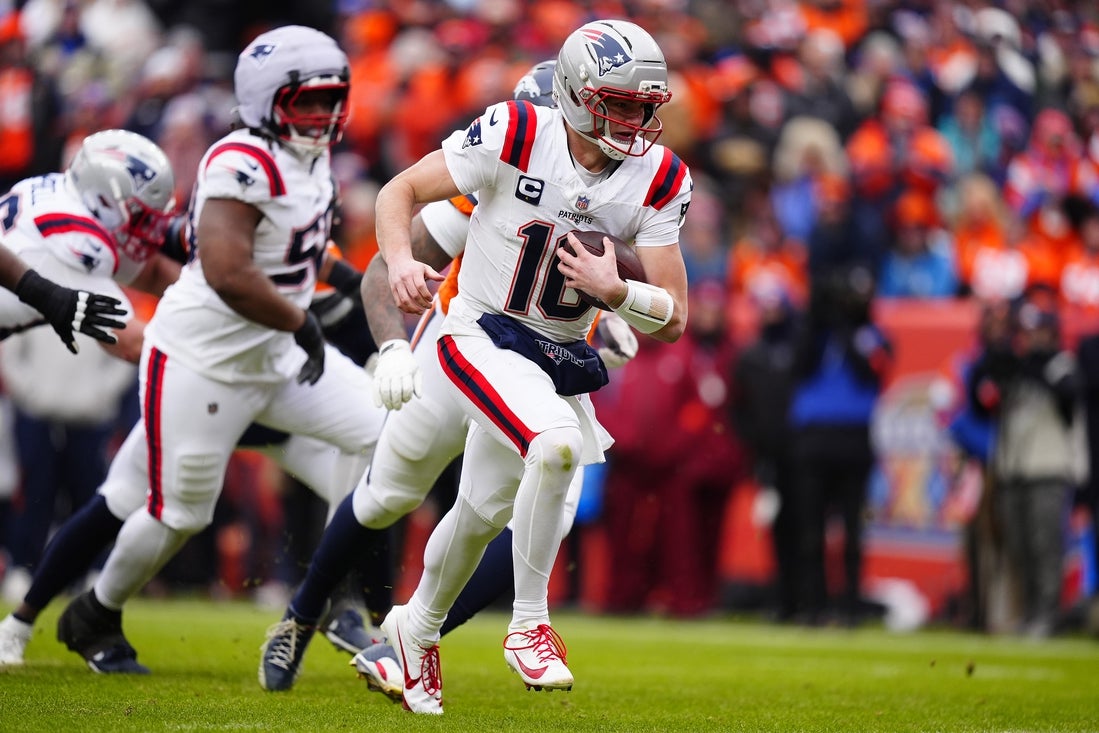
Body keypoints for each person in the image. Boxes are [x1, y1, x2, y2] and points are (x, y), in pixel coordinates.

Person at [256, 59, 636, 694]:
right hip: (457, 357)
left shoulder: (621, 190)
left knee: (538, 514)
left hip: (543, 375)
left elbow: (610, 279)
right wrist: (391, 348)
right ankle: (300, 616)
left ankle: (403, 641)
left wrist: (614, 311)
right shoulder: (500, 178)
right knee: (388, 494)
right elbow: (384, 269)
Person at [47, 25, 387, 675]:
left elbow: (297, 247)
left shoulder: (311, 160)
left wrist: (350, 281)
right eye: (308, 100)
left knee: (386, 434)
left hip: (275, 353)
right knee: (179, 514)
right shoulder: (240, 161)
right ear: (265, 100)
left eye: (332, 99)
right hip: (202, 360)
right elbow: (230, 271)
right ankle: (96, 610)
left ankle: (335, 592)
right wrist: (300, 321)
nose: (323, 114)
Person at [372, 20, 689, 714]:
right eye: (620, 104)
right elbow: (398, 190)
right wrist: (398, 262)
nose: (636, 122)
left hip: (555, 356)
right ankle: (529, 624)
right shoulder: (516, 133)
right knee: (557, 443)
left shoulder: (660, 177)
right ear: (576, 95)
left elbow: (673, 316)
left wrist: (616, 294)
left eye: (645, 107)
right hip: (478, 332)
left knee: (481, 512)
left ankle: (414, 629)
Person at [0, 128, 183, 357]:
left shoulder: (60, 191)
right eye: (141, 218)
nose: (150, 231)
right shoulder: (76, 241)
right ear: (104, 201)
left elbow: (154, 275)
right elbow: (132, 343)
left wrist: (211, 297)